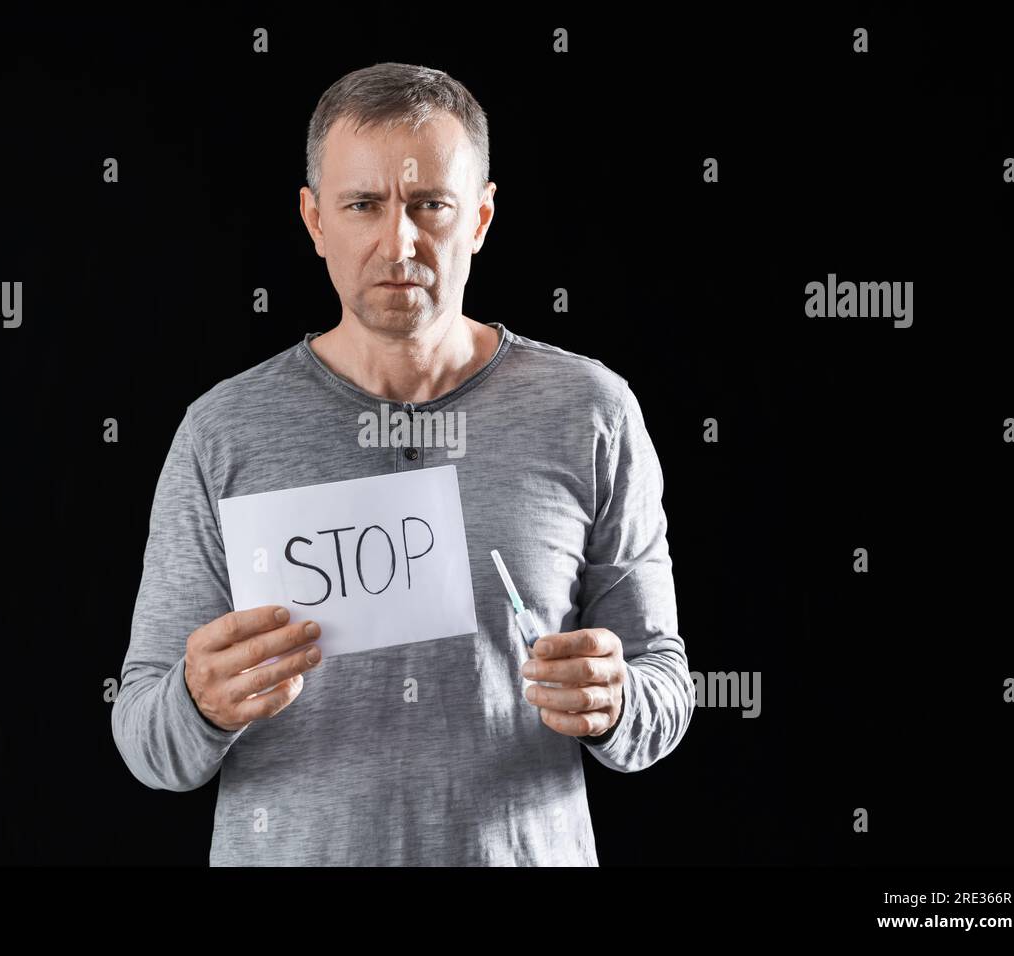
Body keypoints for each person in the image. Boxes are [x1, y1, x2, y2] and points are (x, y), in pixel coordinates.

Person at [111, 61, 694, 865]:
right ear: (314, 221)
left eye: (431, 205)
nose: (401, 241)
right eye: (363, 205)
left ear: (481, 217)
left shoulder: (590, 410)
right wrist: (198, 703)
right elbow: (146, 741)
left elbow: (664, 684)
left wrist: (619, 700)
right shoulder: (221, 433)